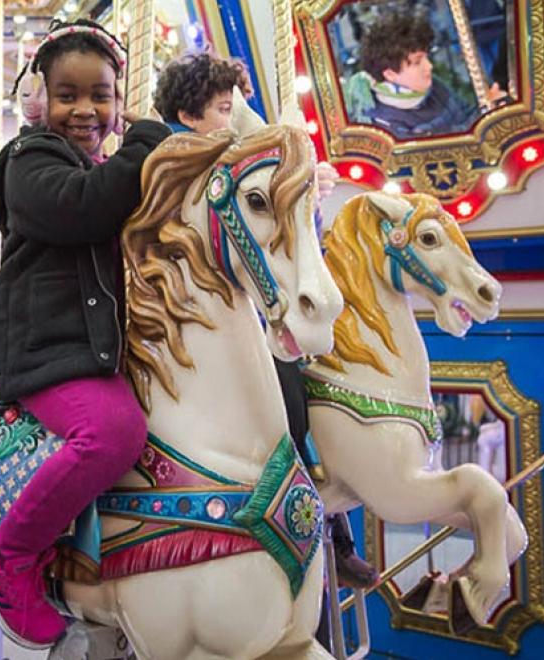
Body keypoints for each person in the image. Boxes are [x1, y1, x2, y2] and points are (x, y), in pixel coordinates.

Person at [0, 19, 170, 649]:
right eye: (67, 95)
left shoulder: (102, 166)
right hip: (45, 349)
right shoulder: (29, 161)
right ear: (38, 100)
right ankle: (5, 558)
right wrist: (145, 141)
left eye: (100, 96)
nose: (85, 110)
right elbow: (85, 207)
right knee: (114, 431)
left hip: (93, 347)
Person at [154, 51, 376, 589]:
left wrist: (303, 189)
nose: (234, 118)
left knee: (305, 386)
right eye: (223, 108)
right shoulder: (180, 162)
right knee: (283, 395)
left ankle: (331, 523)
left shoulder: (233, 158)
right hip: (197, 315)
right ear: (189, 116)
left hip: (249, 307)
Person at [349, 11, 503, 137]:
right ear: (390, 74)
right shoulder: (386, 124)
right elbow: (446, 148)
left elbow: (465, 113)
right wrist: (484, 115)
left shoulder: (433, 85)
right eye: (417, 62)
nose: (429, 66)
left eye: (426, 58)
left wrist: (489, 106)